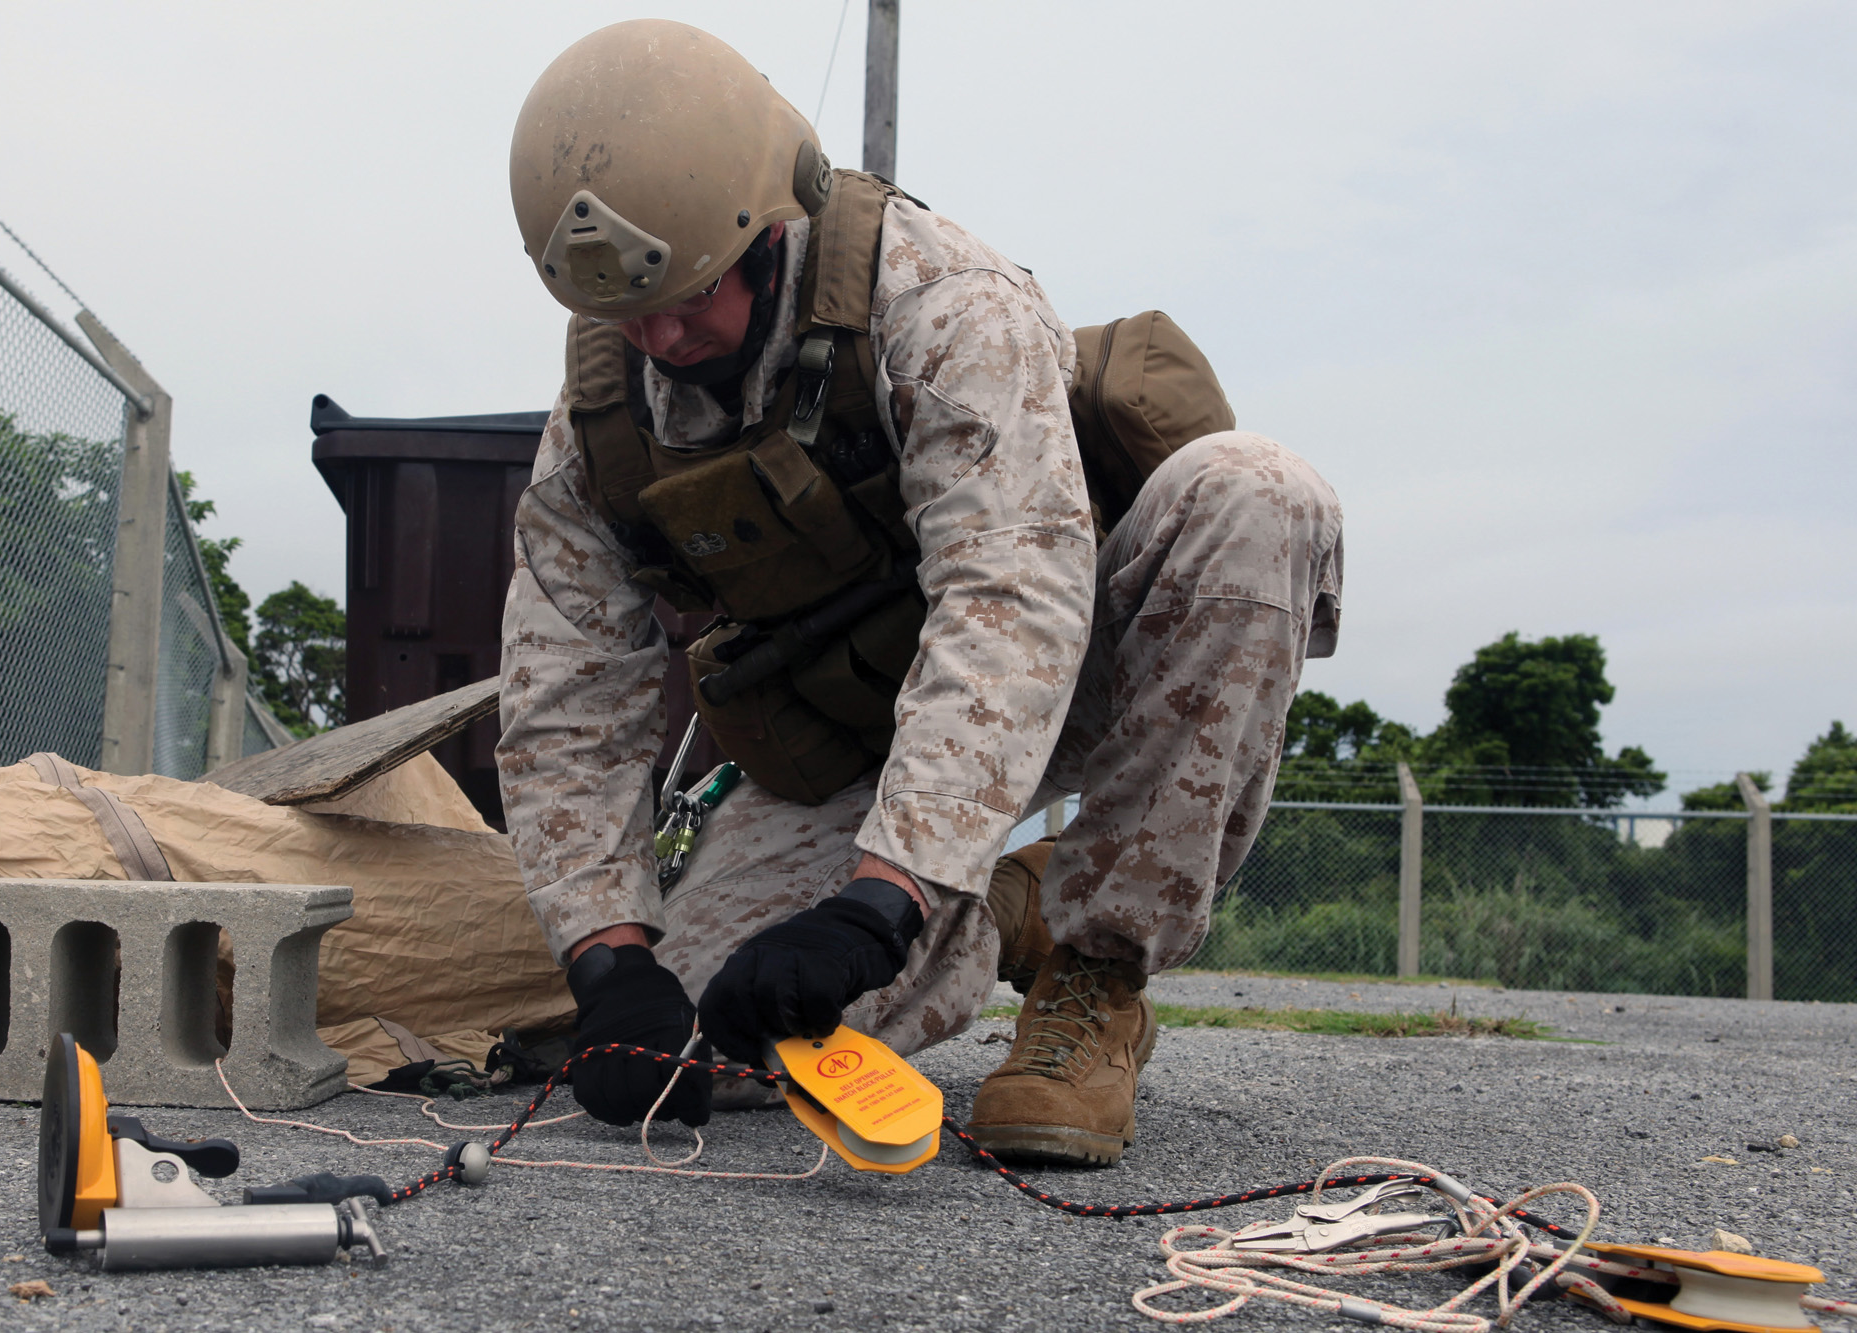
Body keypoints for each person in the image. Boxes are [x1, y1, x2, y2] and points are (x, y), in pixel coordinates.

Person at [497, 19, 1344, 1167]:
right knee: (723, 1043)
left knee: (1257, 492)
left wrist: (877, 903)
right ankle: (999, 905)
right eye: (623, 311)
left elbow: (1011, 604)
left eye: (689, 294)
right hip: (854, 737)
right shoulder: (602, 419)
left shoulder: (944, 303)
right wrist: (610, 960)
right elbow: (564, 693)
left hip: (1077, 662)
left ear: (767, 226)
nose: (660, 334)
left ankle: (1094, 975)